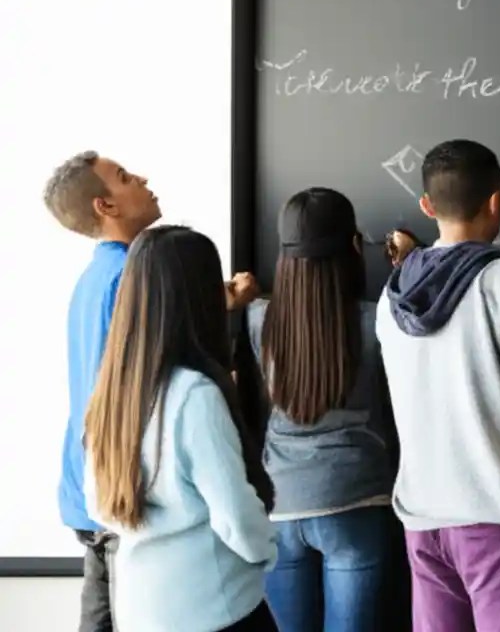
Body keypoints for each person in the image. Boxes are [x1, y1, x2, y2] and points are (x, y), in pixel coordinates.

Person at [42, 151, 257, 631]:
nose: (142, 179)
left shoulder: (96, 278)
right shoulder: (125, 280)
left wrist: (220, 300)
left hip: (96, 487)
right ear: (106, 206)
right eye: (124, 178)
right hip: (123, 492)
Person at [377, 139, 500, 632]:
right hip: (497, 513)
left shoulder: (391, 296)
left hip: (422, 518)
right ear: (495, 200)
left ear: (427, 206)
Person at [82, 226, 277, 632]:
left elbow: (97, 504)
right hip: (215, 608)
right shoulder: (194, 394)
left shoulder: (111, 391)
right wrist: (266, 551)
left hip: (141, 610)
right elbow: (235, 515)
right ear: (199, 297)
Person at [244, 188, 397, 631]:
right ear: (353, 247)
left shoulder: (258, 320)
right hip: (355, 498)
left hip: (280, 502)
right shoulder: (376, 322)